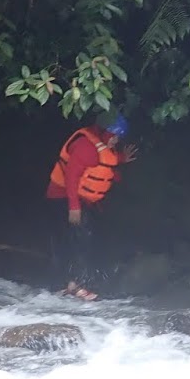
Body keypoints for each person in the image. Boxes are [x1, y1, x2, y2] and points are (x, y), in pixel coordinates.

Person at [45, 115, 136, 299]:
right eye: (115, 136)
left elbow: (104, 160)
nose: (116, 140)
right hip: (63, 197)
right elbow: (71, 177)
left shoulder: (100, 145)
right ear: (105, 131)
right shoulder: (85, 147)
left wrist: (121, 158)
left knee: (80, 239)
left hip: (80, 199)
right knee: (79, 240)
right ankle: (75, 285)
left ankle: (69, 283)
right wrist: (74, 207)